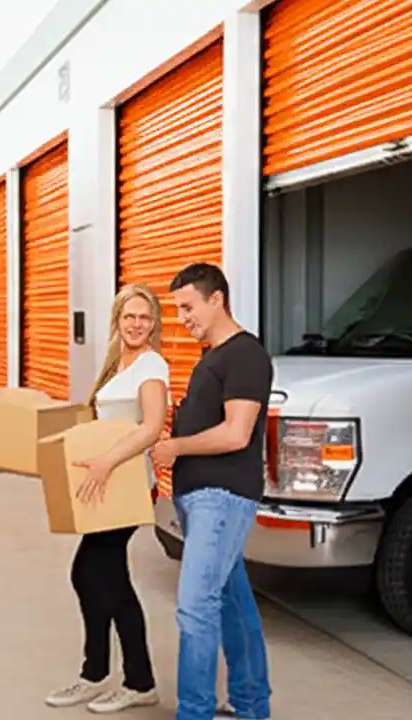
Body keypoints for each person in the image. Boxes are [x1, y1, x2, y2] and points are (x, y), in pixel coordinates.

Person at [151, 263, 273, 720]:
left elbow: (237, 433)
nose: (182, 318)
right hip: (202, 499)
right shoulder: (214, 357)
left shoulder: (245, 355)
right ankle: (251, 704)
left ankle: (195, 712)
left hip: (220, 498)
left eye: (188, 307)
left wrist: (176, 447)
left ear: (216, 298)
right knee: (231, 603)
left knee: (195, 608)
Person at [46, 283, 169, 714]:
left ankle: (136, 682)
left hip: (128, 483)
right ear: (117, 319)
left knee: (103, 576)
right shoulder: (120, 363)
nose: (136, 324)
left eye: (145, 317)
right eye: (129, 316)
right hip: (108, 480)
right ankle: (97, 674)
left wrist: (105, 461)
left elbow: (151, 427)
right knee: (90, 574)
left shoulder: (152, 366)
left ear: (154, 324)